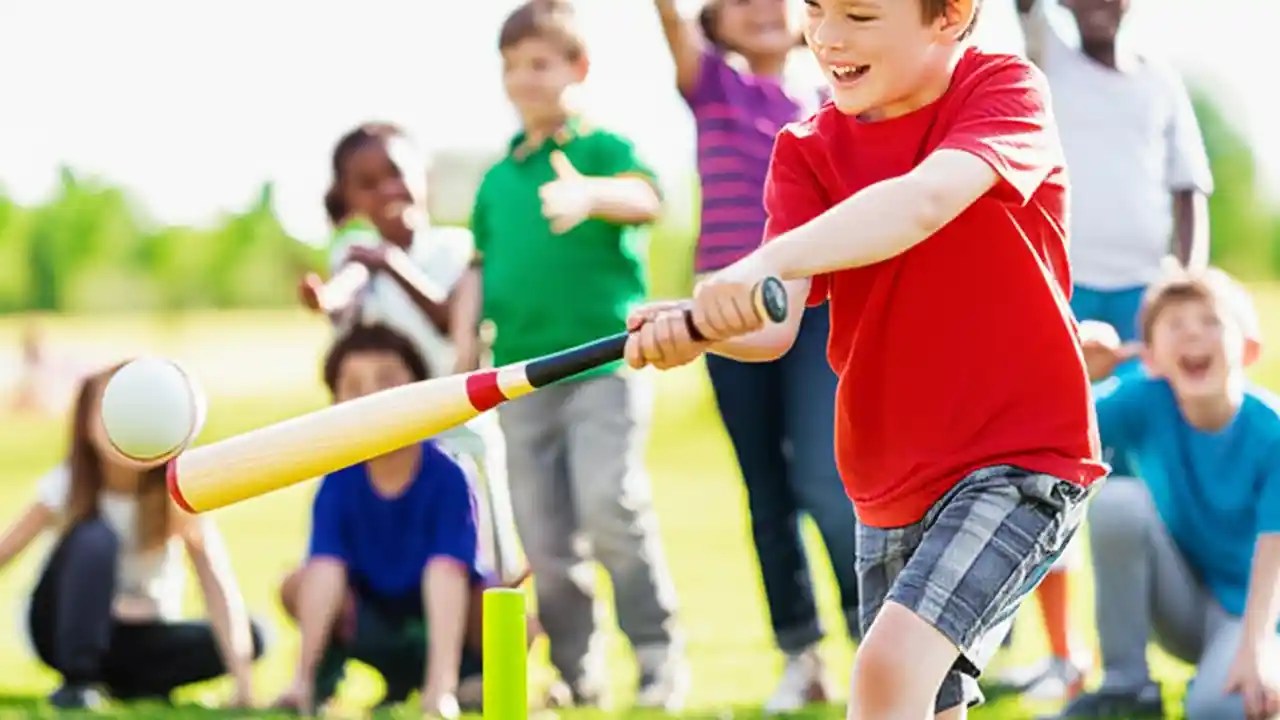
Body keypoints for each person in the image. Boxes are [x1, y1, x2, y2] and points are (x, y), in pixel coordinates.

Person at [623, 0, 1108, 716]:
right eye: (816, 11)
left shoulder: (1003, 91)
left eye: (858, 14)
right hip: (889, 479)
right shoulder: (806, 149)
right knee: (926, 700)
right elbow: (773, 327)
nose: (827, 37)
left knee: (884, 673)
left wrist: (760, 261)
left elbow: (920, 203)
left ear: (949, 15)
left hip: (1021, 458)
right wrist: (698, 330)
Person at [467, 0, 688, 709]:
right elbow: (481, 271)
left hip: (603, 369)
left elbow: (650, 199)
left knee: (608, 504)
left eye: (539, 63)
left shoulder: (599, 150)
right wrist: (463, 353)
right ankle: (577, 670)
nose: (523, 78)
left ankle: (657, 657)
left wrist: (591, 194)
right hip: (519, 383)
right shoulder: (498, 180)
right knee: (546, 538)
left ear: (577, 68)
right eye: (512, 66)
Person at [994, 0, 1216, 700]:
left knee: (1141, 479)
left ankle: (1187, 632)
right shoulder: (1047, 58)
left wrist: (1179, 294)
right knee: (1047, 469)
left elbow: (1189, 193)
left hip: (1144, 304)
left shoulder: (1161, 82)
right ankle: (1066, 655)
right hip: (1062, 294)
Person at [651, 0, 855, 709]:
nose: (763, 9)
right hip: (726, 319)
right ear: (715, 21)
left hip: (817, 312)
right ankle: (800, 654)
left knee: (829, 484)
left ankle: (875, 636)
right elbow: (669, 20)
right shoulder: (712, 85)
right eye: (742, 1)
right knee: (766, 492)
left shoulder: (837, 93)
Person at [1051, 266, 1280, 720]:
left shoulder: (1270, 431)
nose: (1192, 335)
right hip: (1184, 604)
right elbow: (1055, 431)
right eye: (1174, 325)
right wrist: (1076, 372)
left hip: (1256, 614)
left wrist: (1255, 651)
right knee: (1119, 503)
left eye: (1211, 322)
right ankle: (1127, 686)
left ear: (1248, 348)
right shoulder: (1143, 400)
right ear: (1151, 357)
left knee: (1222, 710)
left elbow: (1274, 551)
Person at [299, 122, 521, 582]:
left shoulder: (455, 247)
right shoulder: (354, 252)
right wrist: (326, 298)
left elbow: (448, 321)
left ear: (424, 177)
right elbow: (347, 295)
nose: (387, 191)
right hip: (389, 441)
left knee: (487, 565)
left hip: (458, 431)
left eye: (396, 173)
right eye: (367, 184)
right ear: (348, 198)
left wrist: (389, 264)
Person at [273, 323, 519, 718]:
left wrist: (440, 691)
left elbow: (449, 572)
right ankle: (316, 680)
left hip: (447, 626)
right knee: (297, 585)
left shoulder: (448, 474)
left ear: (417, 388)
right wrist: (299, 677)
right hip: (374, 622)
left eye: (386, 381)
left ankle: (452, 681)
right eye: (354, 386)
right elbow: (325, 567)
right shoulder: (339, 479)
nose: (371, 397)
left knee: (508, 616)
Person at [0, 363, 266, 710]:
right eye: (112, 408)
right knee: (95, 538)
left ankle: (134, 682)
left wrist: (242, 679)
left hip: (139, 635)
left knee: (256, 634)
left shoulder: (181, 495)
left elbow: (215, 581)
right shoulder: (66, 486)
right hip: (62, 630)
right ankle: (79, 681)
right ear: (86, 422)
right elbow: (6, 552)